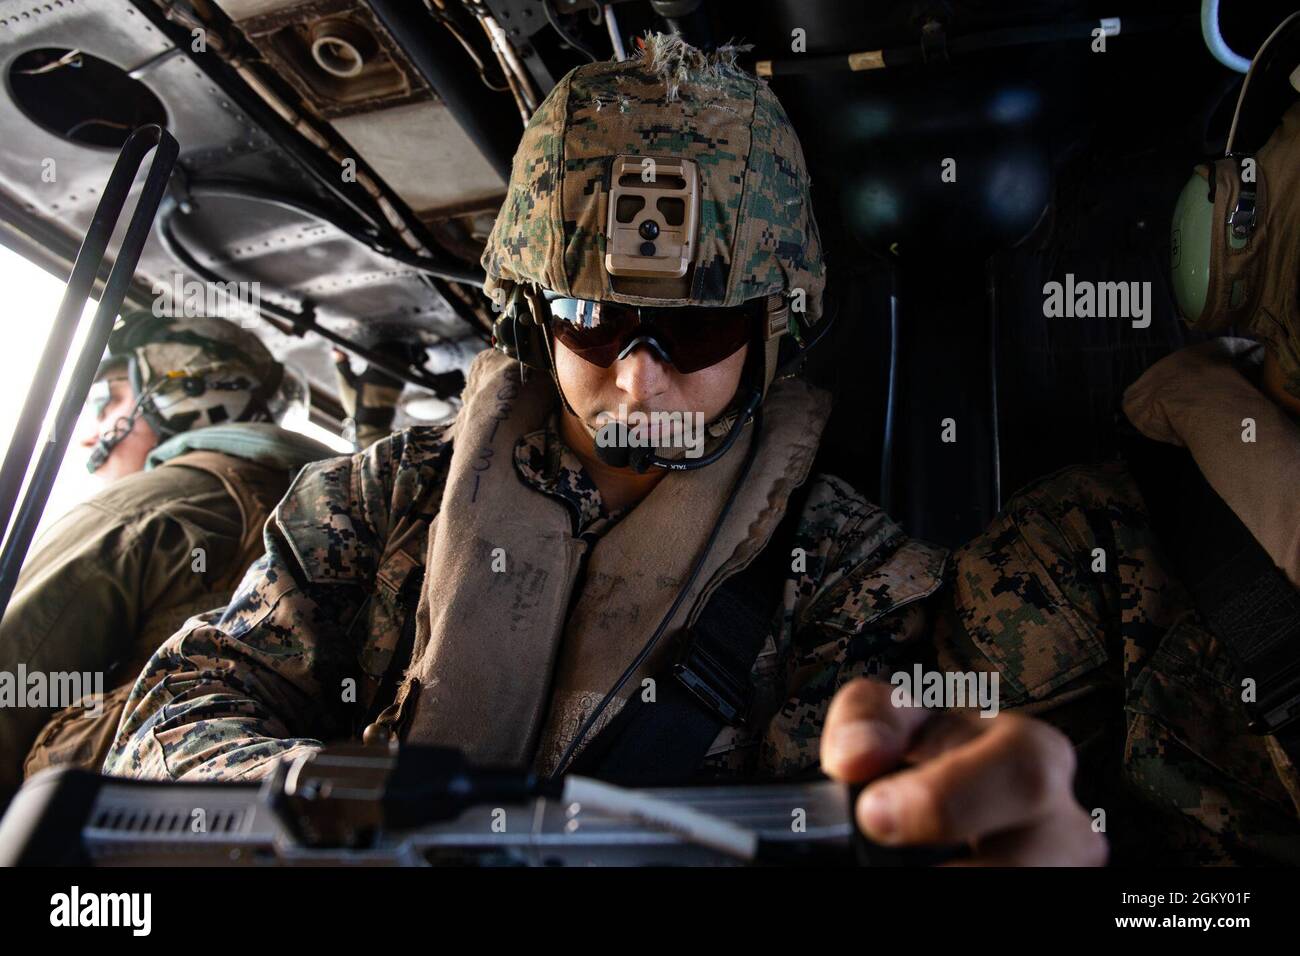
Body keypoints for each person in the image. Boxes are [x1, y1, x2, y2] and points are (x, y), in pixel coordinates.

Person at [104, 34, 1296, 865]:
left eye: (696, 328)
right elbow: (183, 703)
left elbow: (821, 820)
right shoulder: (373, 502)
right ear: (530, 315)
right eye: (592, 317)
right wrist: (315, 813)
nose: (639, 372)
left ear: (773, 331)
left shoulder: (852, 576)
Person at [0, 311, 335, 799]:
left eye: (108, 402)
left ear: (183, 401)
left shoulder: (142, 509)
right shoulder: (334, 506)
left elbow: (12, 675)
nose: (91, 435)